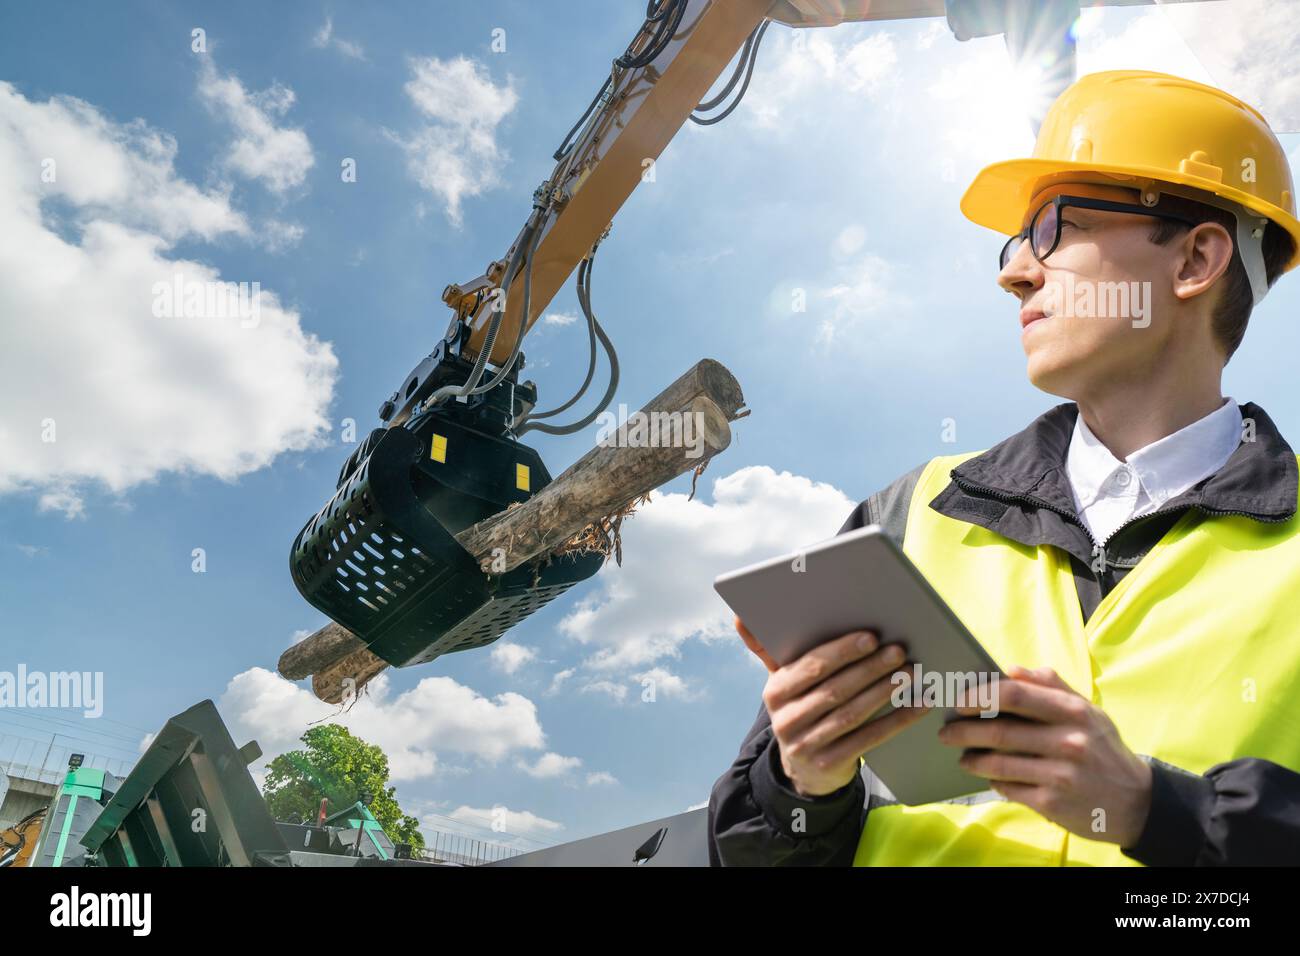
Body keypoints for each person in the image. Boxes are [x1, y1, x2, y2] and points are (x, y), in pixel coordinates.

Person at [708, 70, 1300, 866]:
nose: (1014, 271)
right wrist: (802, 786)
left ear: (1196, 259)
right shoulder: (911, 514)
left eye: (1055, 227)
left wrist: (1157, 810)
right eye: (1015, 242)